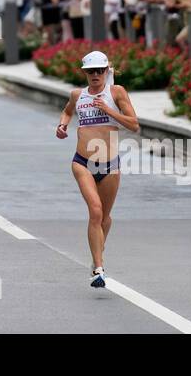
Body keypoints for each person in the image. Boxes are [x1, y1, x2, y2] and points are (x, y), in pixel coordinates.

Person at [55, 50, 140, 288]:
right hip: (82, 161)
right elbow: (67, 111)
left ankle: (96, 256)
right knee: (95, 211)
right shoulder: (77, 95)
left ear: (106, 71)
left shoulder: (116, 92)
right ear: (84, 73)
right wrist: (62, 126)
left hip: (110, 164)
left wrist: (108, 110)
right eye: (90, 71)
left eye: (99, 71)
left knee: (104, 217)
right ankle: (99, 270)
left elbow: (134, 125)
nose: (95, 75)